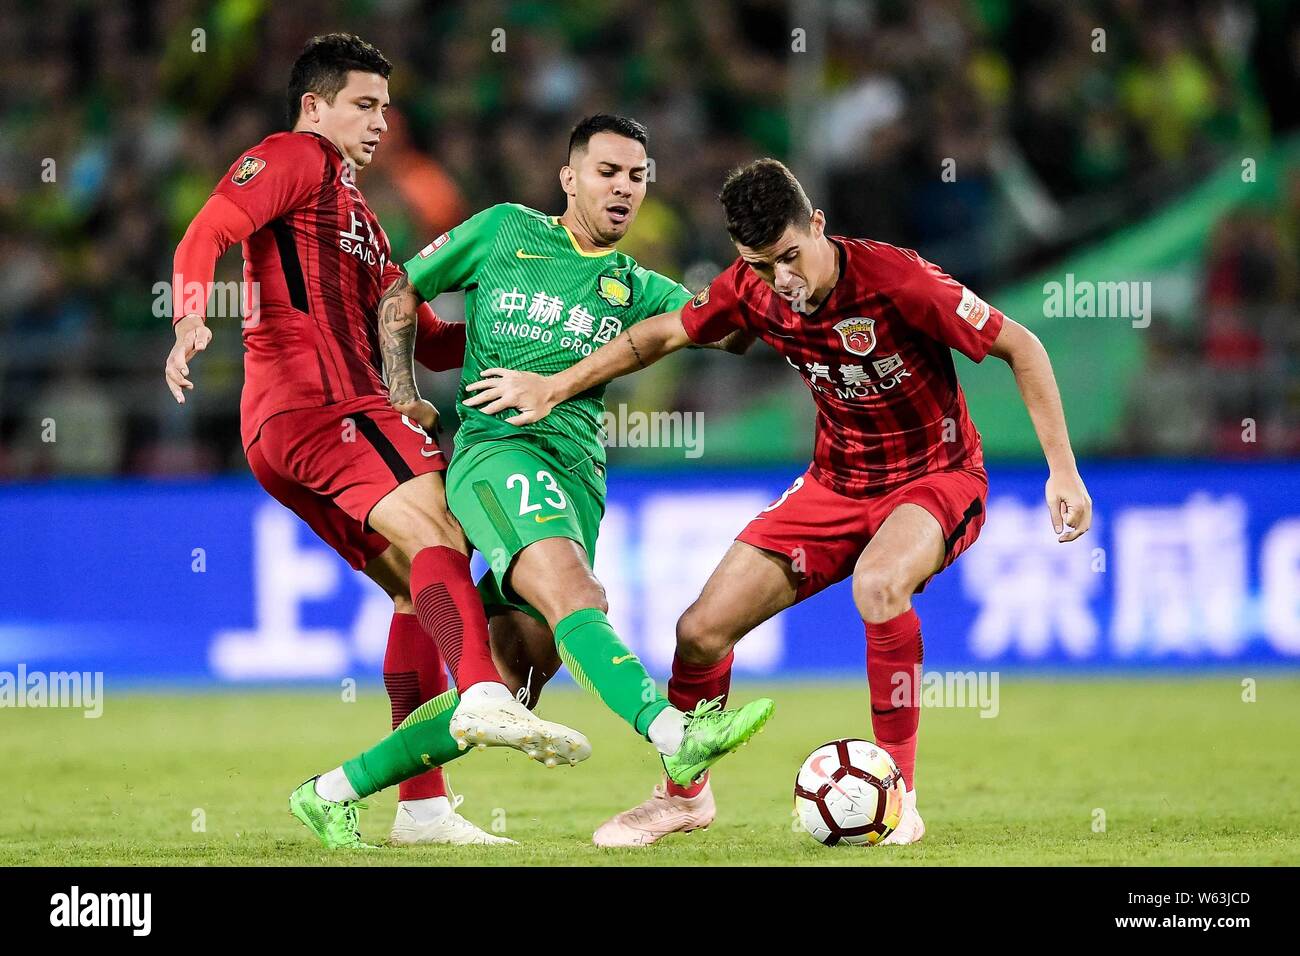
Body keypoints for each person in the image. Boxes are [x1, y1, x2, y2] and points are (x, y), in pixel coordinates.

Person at [463, 157, 1094, 847]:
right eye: (762, 265)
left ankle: (899, 796)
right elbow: (660, 334)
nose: (783, 281)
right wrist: (554, 385)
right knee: (700, 631)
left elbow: (1020, 345)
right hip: (834, 483)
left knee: (879, 585)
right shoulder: (752, 290)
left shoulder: (898, 279)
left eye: (792, 256)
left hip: (934, 476)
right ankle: (683, 798)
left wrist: (1062, 470)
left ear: (818, 225)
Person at [164, 33, 588, 850]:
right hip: (323, 401)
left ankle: (422, 809)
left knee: (414, 589)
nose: (380, 122)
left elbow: (426, 337)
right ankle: (481, 694)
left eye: (386, 109)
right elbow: (207, 231)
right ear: (315, 105)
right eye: (364, 104)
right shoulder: (296, 156)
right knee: (444, 531)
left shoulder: (357, 214)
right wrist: (189, 313)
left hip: (288, 431)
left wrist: (539, 337)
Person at [315, 115, 774, 828]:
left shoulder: (636, 285)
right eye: (608, 173)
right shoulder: (505, 230)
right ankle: (675, 736)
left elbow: (732, 332)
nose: (624, 189)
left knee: (506, 687)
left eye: (637, 178)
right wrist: (402, 394)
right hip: (499, 454)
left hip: (579, 481)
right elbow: (402, 291)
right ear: (569, 179)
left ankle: (329, 795)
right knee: (576, 592)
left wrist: (758, 263)